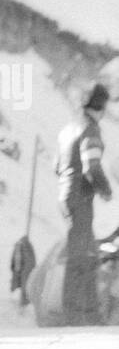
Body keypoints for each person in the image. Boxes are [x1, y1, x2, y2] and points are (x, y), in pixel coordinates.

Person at [54, 82, 113, 325]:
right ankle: (76, 315)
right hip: (80, 197)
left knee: (83, 252)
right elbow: (92, 167)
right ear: (100, 106)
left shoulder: (69, 128)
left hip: (66, 195)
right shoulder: (90, 130)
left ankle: (84, 313)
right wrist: (106, 190)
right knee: (81, 257)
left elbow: (57, 167)